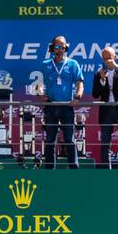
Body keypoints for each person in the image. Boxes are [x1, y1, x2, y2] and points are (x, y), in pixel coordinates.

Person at [37, 36, 83, 169]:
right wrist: (41, 94)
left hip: (67, 106)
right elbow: (39, 83)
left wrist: (78, 97)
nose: (60, 49)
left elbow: (80, 83)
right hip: (51, 106)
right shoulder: (45, 64)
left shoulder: (73, 64)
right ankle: (50, 169)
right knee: (50, 140)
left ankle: (73, 168)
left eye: (62, 47)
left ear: (66, 48)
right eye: (57, 47)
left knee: (69, 139)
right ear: (52, 48)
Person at [91, 47, 118, 168]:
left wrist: (115, 66)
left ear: (114, 57)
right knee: (105, 141)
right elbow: (95, 94)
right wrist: (101, 80)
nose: (107, 61)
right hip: (106, 111)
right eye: (104, 58)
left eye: (109, 58)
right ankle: (106, 168)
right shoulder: (98, 73)